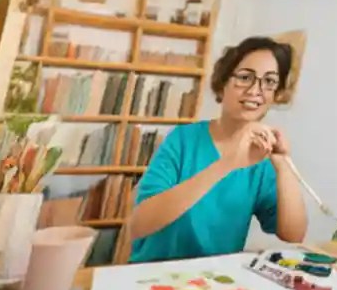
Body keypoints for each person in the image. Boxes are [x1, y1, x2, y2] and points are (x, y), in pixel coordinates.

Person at [127, 36, 308, 263]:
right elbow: (139, 225)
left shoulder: (263, 160)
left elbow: (293, 235)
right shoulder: (182, 140)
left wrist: (283, 164)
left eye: (269, 82)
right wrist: (228, 163)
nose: (256, 90)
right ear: (222, 85)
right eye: (245, 77)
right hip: (153, 273)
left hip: (213, 281)